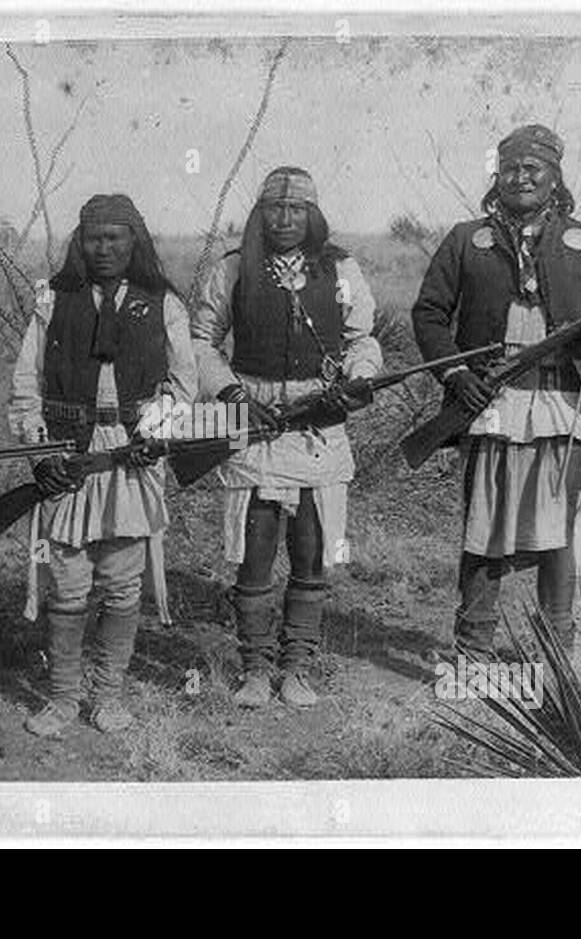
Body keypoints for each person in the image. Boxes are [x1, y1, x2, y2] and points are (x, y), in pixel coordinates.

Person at [411, 124, 581, 657]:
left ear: (554, 178)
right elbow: (429, 314)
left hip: (563, 405)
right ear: (497, 177)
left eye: (533, 169)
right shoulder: (467, 240)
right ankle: (472, 656)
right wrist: (456, 376)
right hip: (490, 404)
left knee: (558, 534)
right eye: (510, 169)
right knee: (483, 529)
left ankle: (555, 658)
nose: (521, 178)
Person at [190, 166, 382, 709]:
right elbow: (201, 340)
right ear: (260, 213)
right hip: (252, 425)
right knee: (254, 550)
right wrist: (231, 394)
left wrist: (356, 379)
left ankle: (296, 668)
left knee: (310, 551)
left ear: (313, 214)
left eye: (297, 209)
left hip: (317, 424)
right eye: (275, 208)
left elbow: (361, 339)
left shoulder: (340, 268)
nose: (286, 219)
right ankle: (254, 668)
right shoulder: (234, 269)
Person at [8, 194, 197, 736]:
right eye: (95, 238)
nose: (105, 248)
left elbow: (185, 387)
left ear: (134, 240)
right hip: (68, 451)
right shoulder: (52, 300)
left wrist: (156, 432)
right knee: (67, 580)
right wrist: (40, 450)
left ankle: (108, 696)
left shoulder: (163, 302)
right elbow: (27, 382)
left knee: (120, 582)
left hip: (132, 458)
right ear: (80, 242)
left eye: (116, 238)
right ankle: (63, 699)